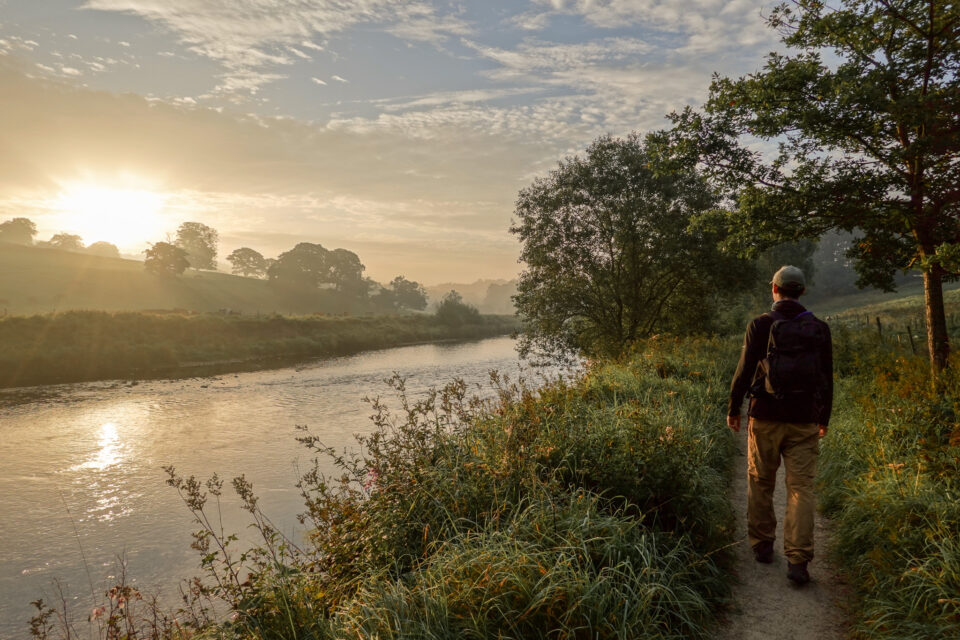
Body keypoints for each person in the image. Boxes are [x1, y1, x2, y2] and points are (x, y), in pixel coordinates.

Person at [727, 265, 833, 585]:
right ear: (802, 292)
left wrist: (735, 408)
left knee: (761, 480)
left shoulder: (760, 325)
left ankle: (762, 545)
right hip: (804, 421)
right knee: (800, 489)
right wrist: (823, 417)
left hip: (766, 417)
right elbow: (827, 377)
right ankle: (798, 560)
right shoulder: (819, 328)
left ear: (774, 290)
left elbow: (744, 371)